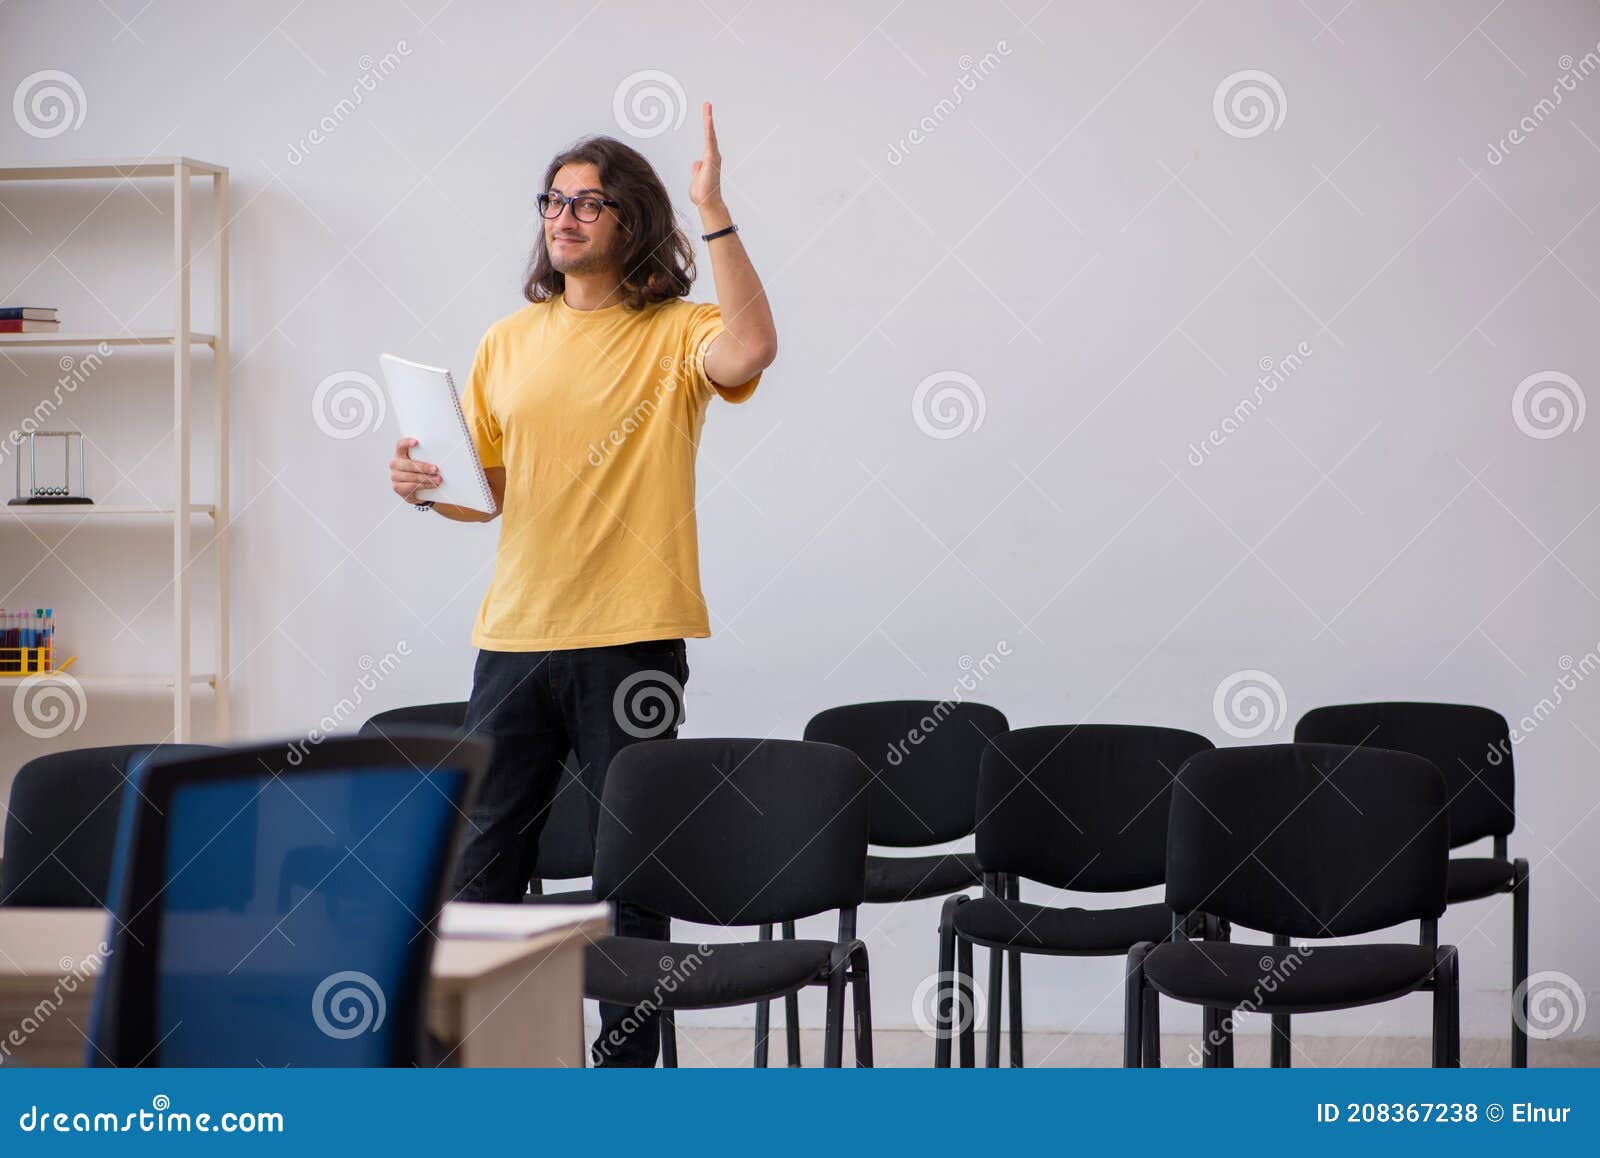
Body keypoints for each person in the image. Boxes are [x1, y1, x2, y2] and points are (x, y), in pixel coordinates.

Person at [387, 102, 777, 1066]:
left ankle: (627, 1077)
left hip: (632, 638)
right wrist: (425, 490)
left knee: (631, 868)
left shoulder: (679, 332)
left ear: (631, 221)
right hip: (514, 638)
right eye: (554, 201)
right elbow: (486, 496)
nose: (563, 217)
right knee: (482, 863)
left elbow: (753, 348)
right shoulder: (506, 341)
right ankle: (471, 1064)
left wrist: (715, 209)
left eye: (588, 204)